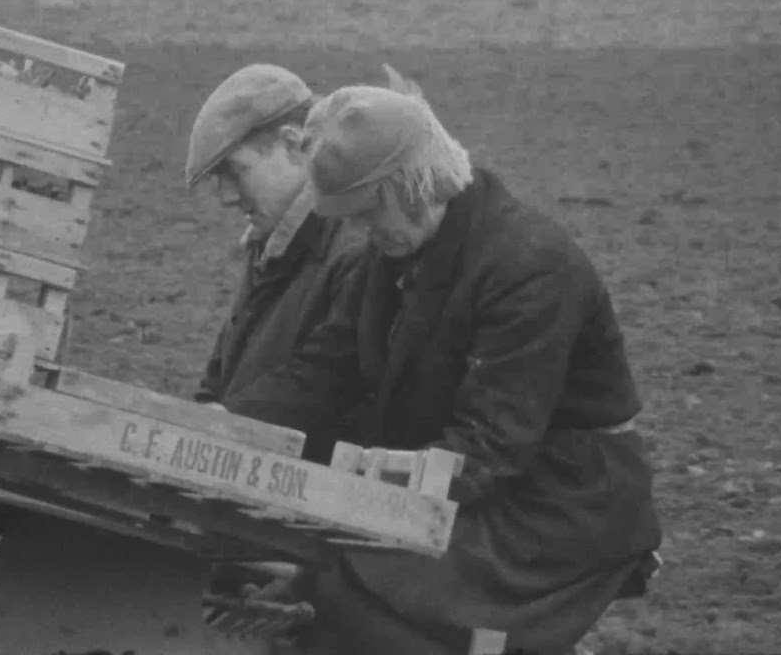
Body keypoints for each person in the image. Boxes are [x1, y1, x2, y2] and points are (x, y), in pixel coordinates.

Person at [224, 67, 664, 655]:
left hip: (558, 506)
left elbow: (491, 447)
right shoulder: (388, 256)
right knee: (315, 567)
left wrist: (366, 495)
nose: (359, 230)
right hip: (479, 476)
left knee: (342, 590)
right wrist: (224, 426)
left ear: (407, 190)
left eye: (365, 214)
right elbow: (324, 373)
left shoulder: (530, 266)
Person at [183, 63, 366, 465]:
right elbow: (220, 375)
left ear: (292, 145)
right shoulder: (267, 246)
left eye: (235, 171)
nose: (226, 197)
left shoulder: (356, 250)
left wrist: (229, 423)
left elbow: (325, 381)